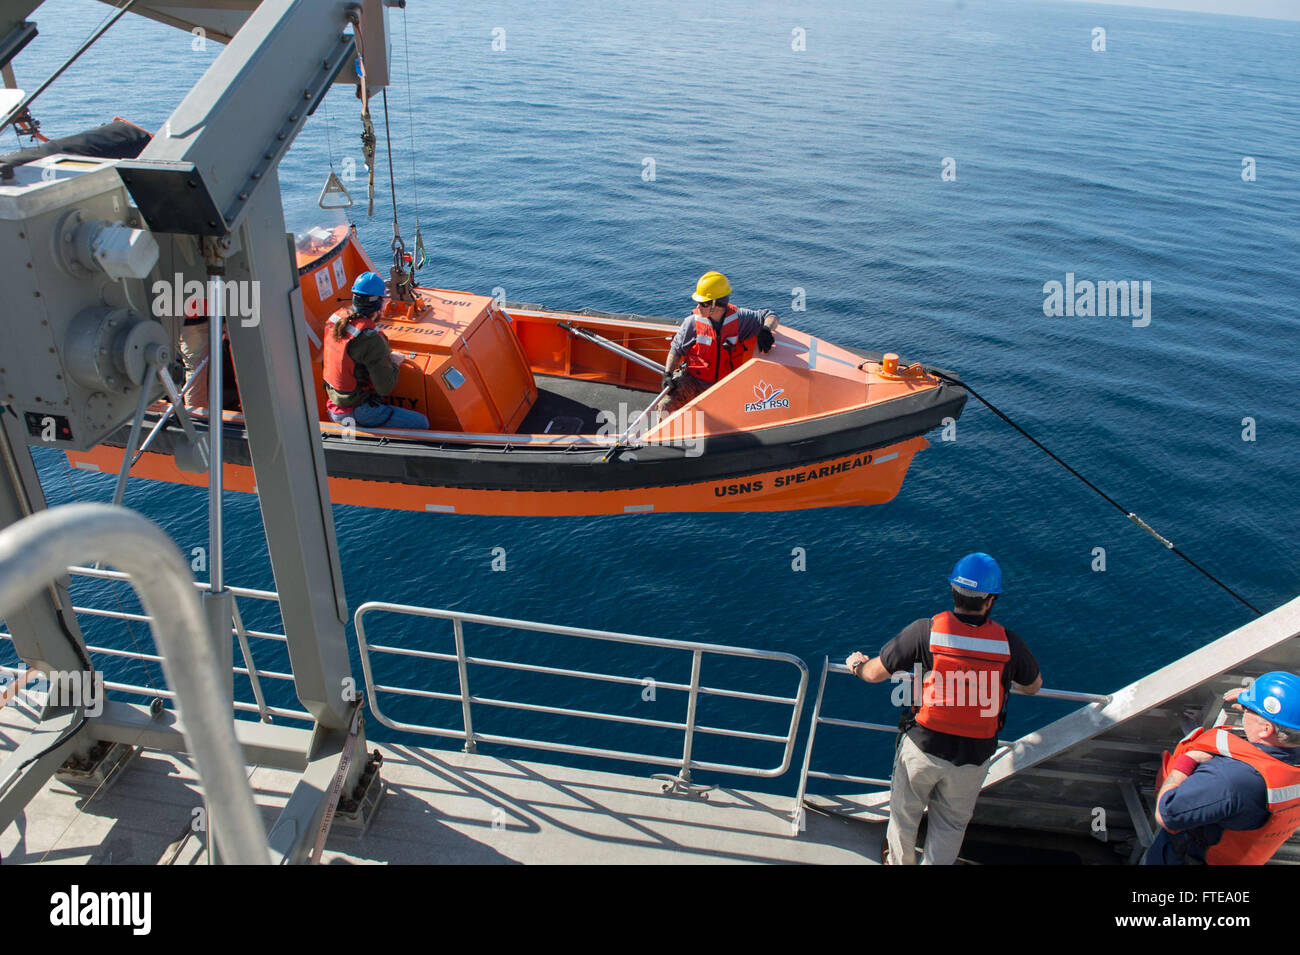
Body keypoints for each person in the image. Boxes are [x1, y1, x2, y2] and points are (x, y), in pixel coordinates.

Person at [845, 552, 1042, 865]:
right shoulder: (1009, 644)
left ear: (954, 591)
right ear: (990, 600)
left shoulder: (925, 632)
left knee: (904, 815)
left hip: (923, 746)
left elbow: (873, 673)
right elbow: (1033, 685)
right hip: (973, 756)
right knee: (950, 825)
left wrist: (856, 665)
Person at [1144, 671, 1300, 865]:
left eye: (1249, 710)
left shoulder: (1230, 779)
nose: (1243, 710)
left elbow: (1167, 814)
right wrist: (1251, 701)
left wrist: (1187, 761)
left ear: (1266, 729)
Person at [657, 270, 779, 414]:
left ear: (716, 304)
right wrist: (668, 374)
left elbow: (771, 315)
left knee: (742, 412)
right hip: (695, 382)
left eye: (703, 304)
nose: (698, 307)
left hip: (727, 385)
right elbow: (676, 350)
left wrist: (765, 330)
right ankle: (668, 435)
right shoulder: (692, 323)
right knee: (666, 406)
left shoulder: (740, 319)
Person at [323, 272, 429, 430]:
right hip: (356, 411)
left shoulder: (336, 319)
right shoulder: (371, 339)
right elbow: (384, 388)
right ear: (379, 304)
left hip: (334, 403)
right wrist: (394, 362)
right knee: (421, 423)